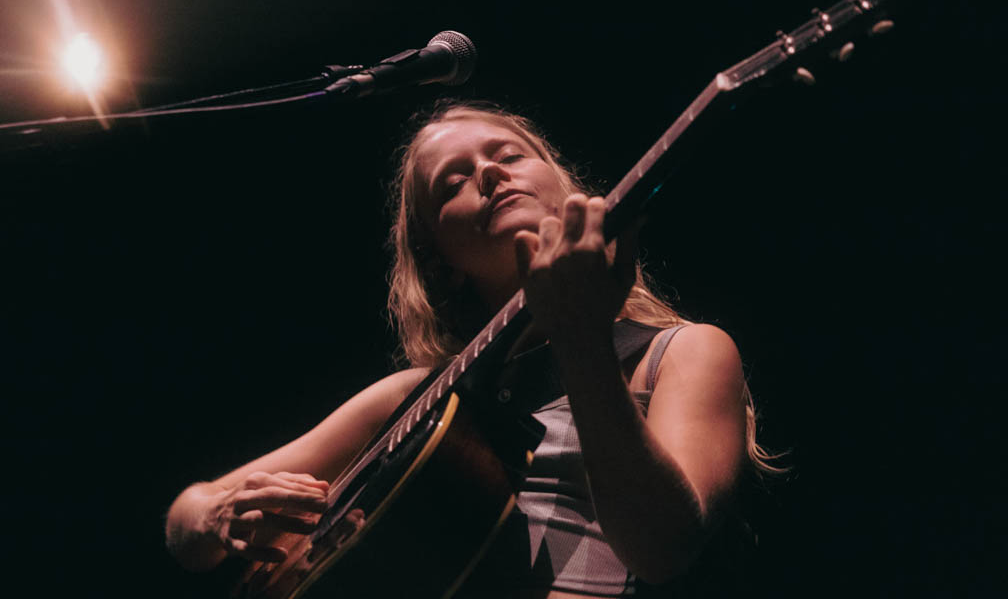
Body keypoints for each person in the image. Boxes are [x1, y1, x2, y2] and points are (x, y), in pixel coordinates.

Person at [165, 101, 780, 597]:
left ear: (562, 187)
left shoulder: (683, 353)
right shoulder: (419, 398)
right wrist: (217, 517)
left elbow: (662, 551)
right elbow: (185, 522)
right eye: (453, 182)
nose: (489, 173)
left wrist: (581, 339)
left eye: (508, 155)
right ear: (443, 264)